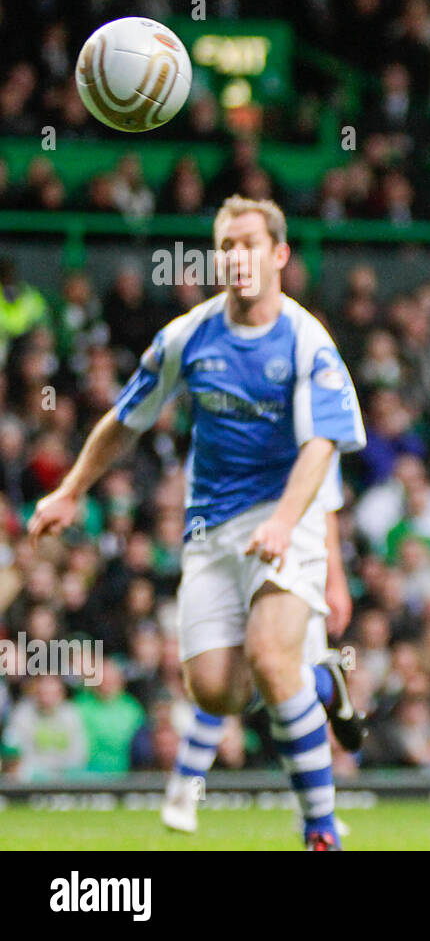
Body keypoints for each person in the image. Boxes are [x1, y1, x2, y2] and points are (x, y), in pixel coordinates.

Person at [30, 195, 367, 851]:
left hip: (284, 515)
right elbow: (126, 419)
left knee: (271, 660)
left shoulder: (308, 342)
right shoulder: (187, 337)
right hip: (211, 528)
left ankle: (321, 831)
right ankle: (322, 679)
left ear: (279, 255)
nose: (237, 258)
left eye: (249, 245)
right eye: (226, 246)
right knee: (214, 692)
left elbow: (320, 448)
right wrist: (72, 490)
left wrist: (285, 521)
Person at [160, 455, 362, 835]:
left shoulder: (314, 420)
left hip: (295, 558)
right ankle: (186, 786)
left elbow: (326, 505)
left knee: (284, 684)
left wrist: (334, 578)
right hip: (230, 553)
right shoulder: (228, 414)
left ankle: (315, 816)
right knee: (224, 675)